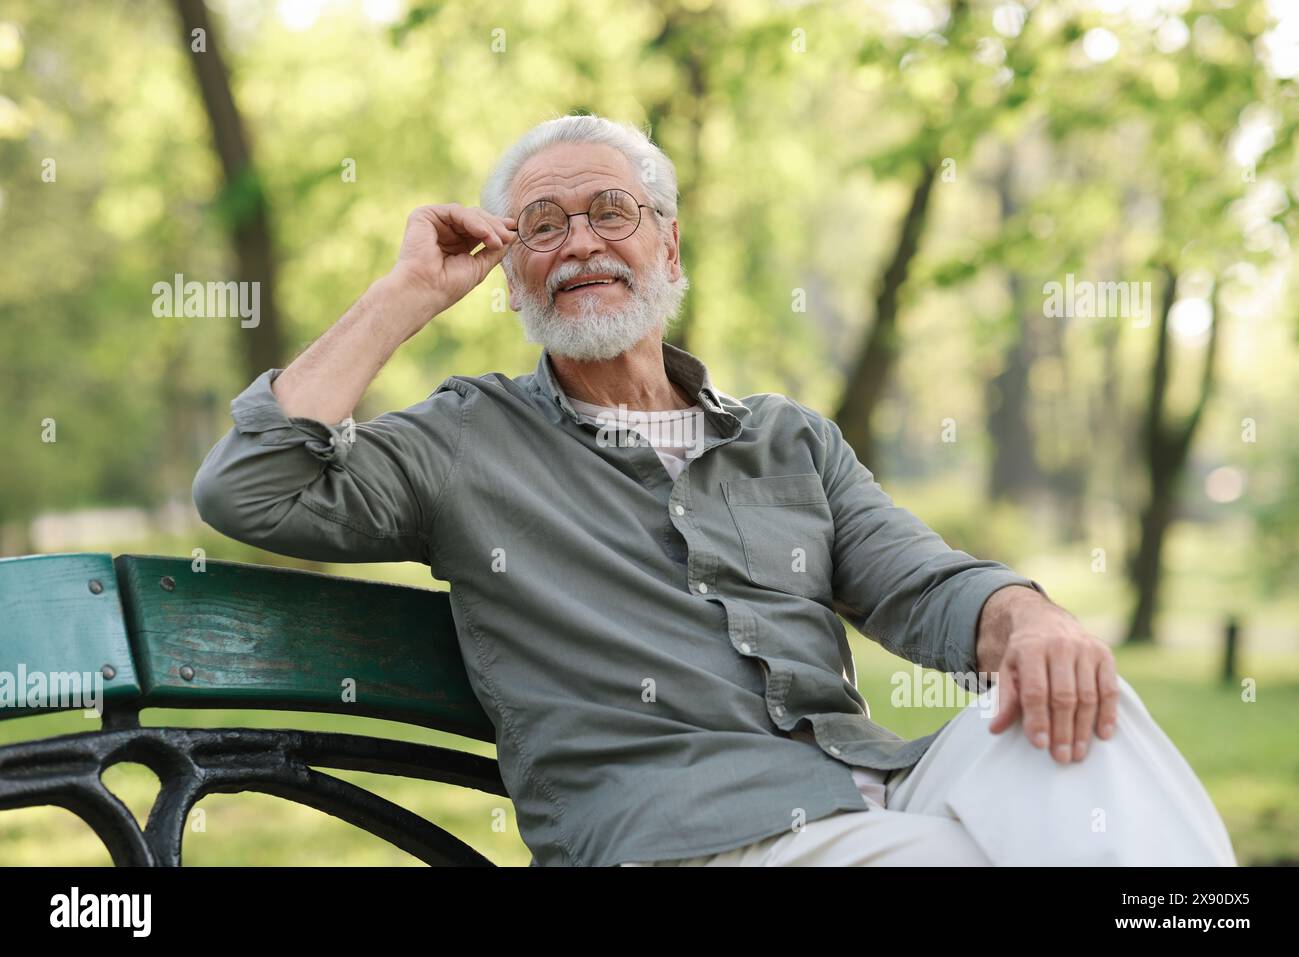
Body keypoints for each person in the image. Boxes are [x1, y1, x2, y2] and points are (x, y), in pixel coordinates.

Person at [192, 113, 1236, 867]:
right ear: (509, 278)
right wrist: (405, 293)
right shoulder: (464, 442)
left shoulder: (785, 438)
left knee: (1087, 709)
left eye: (611, 212)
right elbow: (255, 487)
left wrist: (1032, 619)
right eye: (541, 228)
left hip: (867, 784)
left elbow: (919, 584)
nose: (580, 244)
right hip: (694, 838)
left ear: (669, 243)